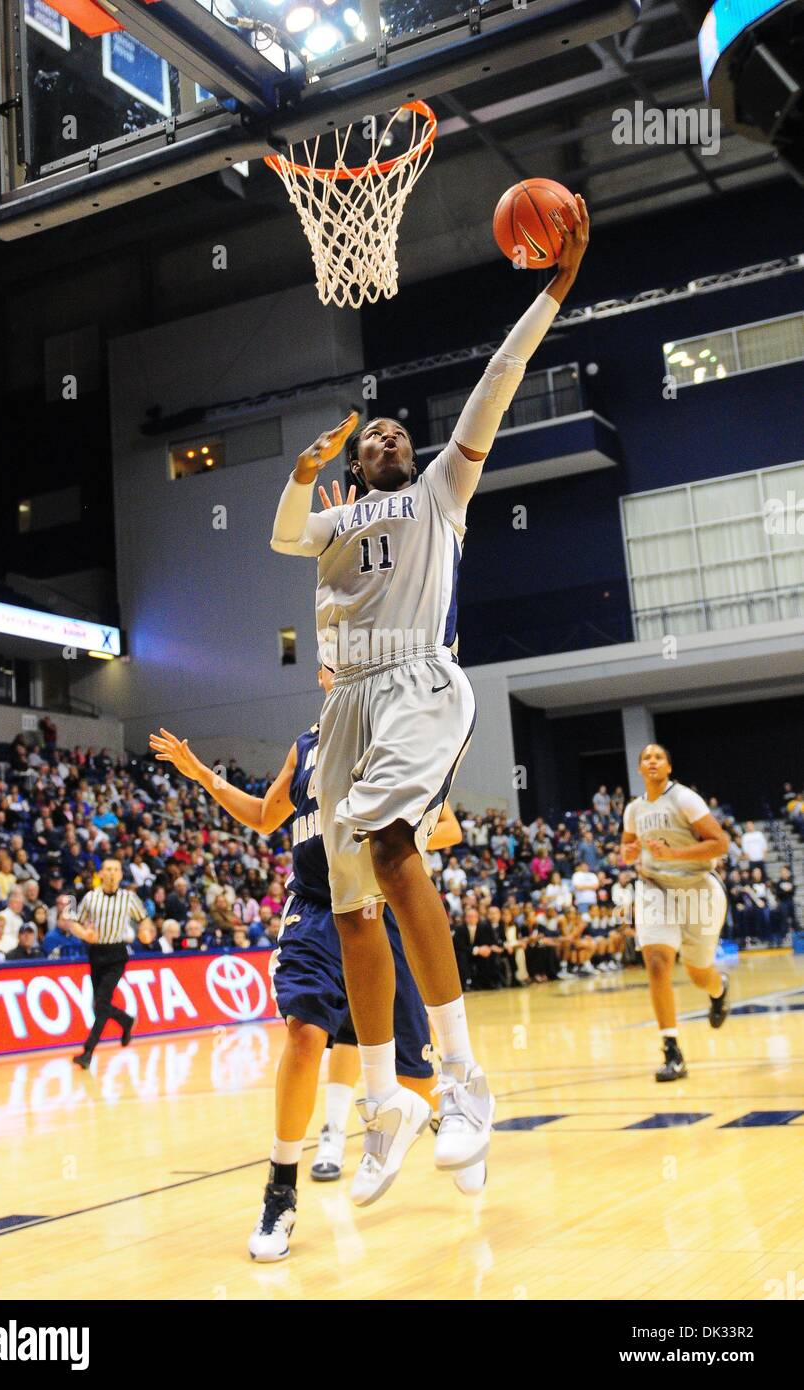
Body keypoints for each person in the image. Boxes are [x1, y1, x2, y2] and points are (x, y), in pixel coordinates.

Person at [269, 200, 590, 1200]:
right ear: (354, 461)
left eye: (394, 433)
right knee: (353, 910)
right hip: (346, 709)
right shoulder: (329, 521)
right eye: (371, 437)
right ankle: (384, 1102)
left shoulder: (441, 489)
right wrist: (299, 469)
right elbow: (283, 536)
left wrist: (552, 290)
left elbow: (495, 382)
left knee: (396, 845)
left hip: (417, 679)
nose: (385, 440)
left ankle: (461, 1080)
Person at [150, 661, 478, 1264]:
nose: (333, 666)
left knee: (413, 1075)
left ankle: (448, 1120)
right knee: (303, 1036)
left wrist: (386, 833)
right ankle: (280, 1190)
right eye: (327, 661)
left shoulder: (393, 736)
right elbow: (263, 816)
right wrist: (199, 774)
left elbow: (451, 828)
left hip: (376, 911)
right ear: (327, 677)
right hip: (313, 910)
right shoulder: (304, 747)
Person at [620, 744, 730, 1082]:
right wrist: (630, 852)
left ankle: (718, 989)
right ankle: (671, 1050)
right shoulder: (634, 809)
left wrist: (673, 854)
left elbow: (720, 843)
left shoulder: (685, 799)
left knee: (699, 974)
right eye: (646, 758)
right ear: (639, 769)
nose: (651, 761)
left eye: (658, 757)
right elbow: (626, 853)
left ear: (668, 766)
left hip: (696, 886)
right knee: (656, 963)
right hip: (654, 886)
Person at [63, 860, 151, 1069]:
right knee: (99, 1006)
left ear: (121, 874)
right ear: (101, 873)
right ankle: (126, 1021)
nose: (112, 873)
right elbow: (72, 920)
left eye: (116, 870)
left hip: (116, 954)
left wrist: (146, 932)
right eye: (108, 869)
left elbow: (144, 919)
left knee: (101, 1004)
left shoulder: (129, 897)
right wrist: (84, 933)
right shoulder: (90, 897)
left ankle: (87, 1052)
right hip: (96, 952)